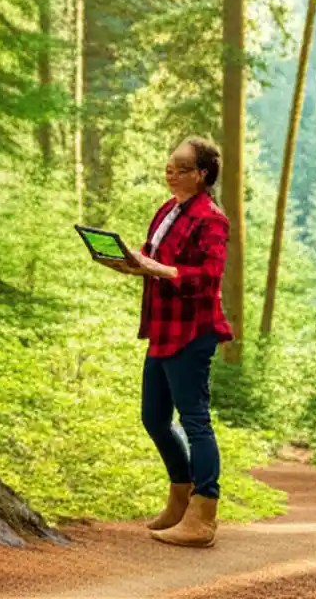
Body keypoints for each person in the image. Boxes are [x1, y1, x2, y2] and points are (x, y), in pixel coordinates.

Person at [112, 136, 234, 548]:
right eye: (168, 166)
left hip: (193, 332)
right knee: (154, 419)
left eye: (180, 168)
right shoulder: (169, 209)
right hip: (162, 330)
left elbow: (207, 279)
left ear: (201, 175)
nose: (170, 172)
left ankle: (204, 514)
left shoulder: (211, 219)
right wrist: (131, 263)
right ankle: (180, 497)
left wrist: (158, 270)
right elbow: (153, 257)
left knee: (196, 421)